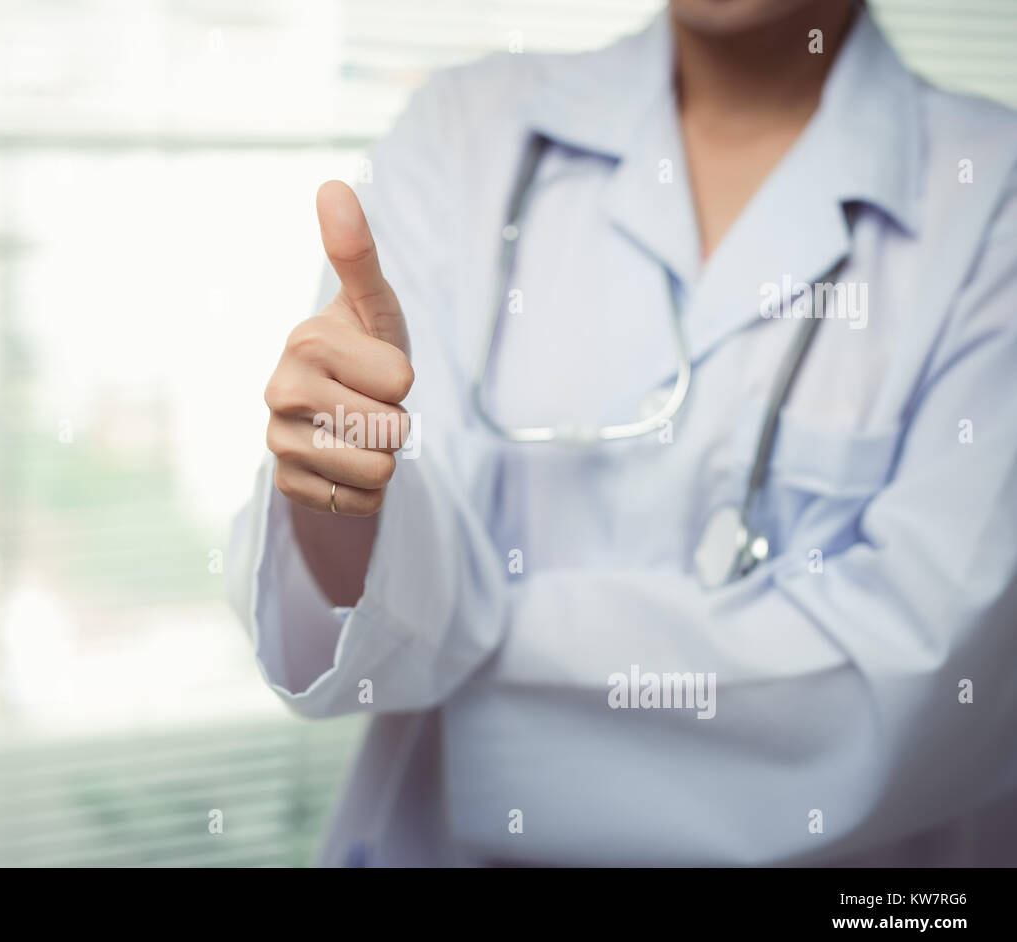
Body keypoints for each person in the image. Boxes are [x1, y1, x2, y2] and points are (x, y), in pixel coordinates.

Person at [227, 0, 1017, 866]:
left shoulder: (993, 197)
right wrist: (342, 495)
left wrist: (462, 644)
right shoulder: (463, 135)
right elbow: (362, 606)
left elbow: (911, 686)